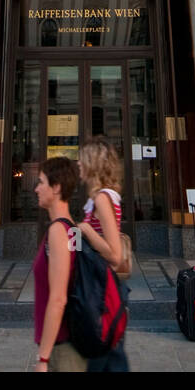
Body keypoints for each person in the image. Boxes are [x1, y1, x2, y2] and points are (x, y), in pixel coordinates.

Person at [77, 135, 129, 373]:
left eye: (82, 160)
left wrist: (86, 230)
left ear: (93, 163)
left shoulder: (102, 199)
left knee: (103, 352)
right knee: (109, 355)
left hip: (104, 288)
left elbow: (115, 255)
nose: (78, 164)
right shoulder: (100, 198)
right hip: (103, 286)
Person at [32, 157, 86, 373]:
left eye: (41, 182)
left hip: (63, 348)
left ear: (56, 188)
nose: (36, 189)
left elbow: (58, 298)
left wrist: (43, 359)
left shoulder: (58, 231)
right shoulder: (73, 229)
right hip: (73, 339)